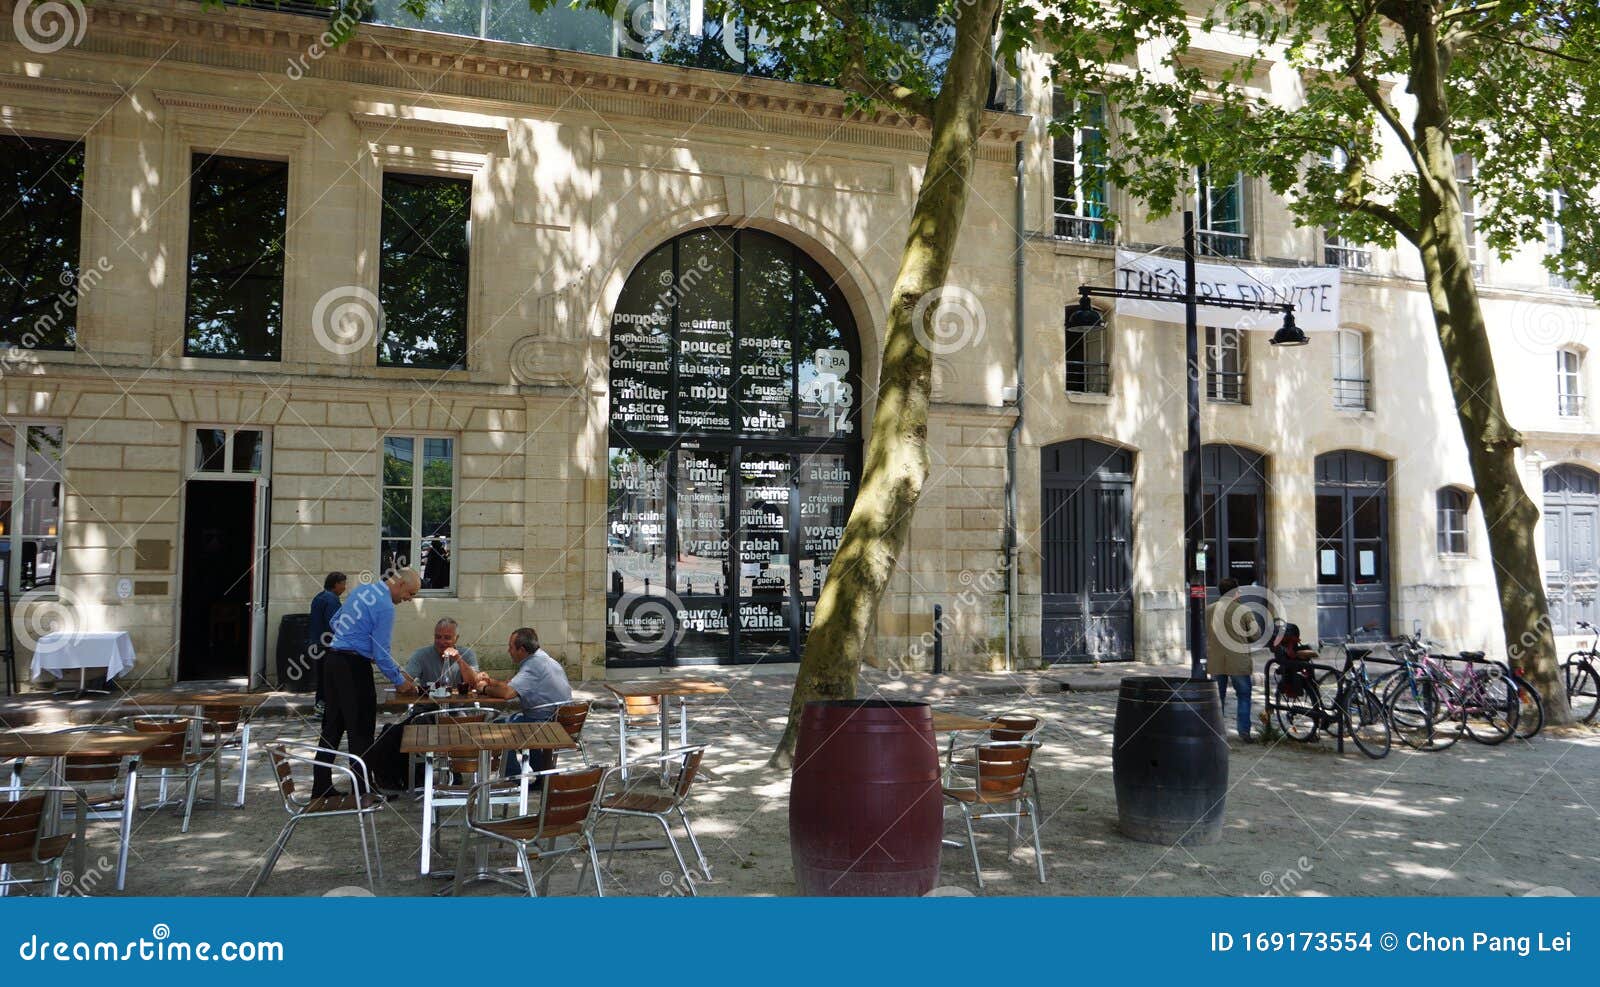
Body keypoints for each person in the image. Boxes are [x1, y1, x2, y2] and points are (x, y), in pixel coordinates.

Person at [314, 569, 423, 800]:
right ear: (400, 583)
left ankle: (321, 788)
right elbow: (382, 653)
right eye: (410, 593)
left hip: (332, 662)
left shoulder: (363, 590)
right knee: (362, 729)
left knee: (332, 726)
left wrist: (355, 640)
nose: (409, 599)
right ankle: (363, 791)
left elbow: (335, 621)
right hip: (353, 667)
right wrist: (400, 682)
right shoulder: (385, 606)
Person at [471, 627, 572, 776]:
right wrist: (491, 681)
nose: (508, 651)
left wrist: (484, 689)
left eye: (511, 647)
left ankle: (513, 777)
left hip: (546, 722)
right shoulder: (543, 658)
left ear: (522, 650)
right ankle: (542, 776)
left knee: (498, 729)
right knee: (519, 722)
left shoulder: (532, 666)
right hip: (560, 719)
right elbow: (512, 684)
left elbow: (507, 693)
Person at [1207, 577, 1259, 742]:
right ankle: (1244, 732)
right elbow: (1255, 635)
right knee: (1244, 695)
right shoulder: (1243, 610)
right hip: (1238, 661)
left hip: (1215, 660)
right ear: (1235, 592)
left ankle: (1217, 732)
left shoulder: (1209, 610)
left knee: (1217, 698)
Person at [306, 571, 347, 718]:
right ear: (336, 584)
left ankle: (320, 707)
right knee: (329, 679)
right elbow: (335, 624)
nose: (344, 587)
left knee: (322, 678)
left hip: (316, 643)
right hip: (327, 645)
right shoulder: (332, 600)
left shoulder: (319, 596)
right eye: (343, 584)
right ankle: (325, 708)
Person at [405, 617, 479, 691]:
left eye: (447, 638)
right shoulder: (421, 655)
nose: (441, 641)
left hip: (459, 702)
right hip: (430, 701)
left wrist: (459, 660)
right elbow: (405, 679)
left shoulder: (467, 654)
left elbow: (474, 684)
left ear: (456, 638)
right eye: (438, 637)